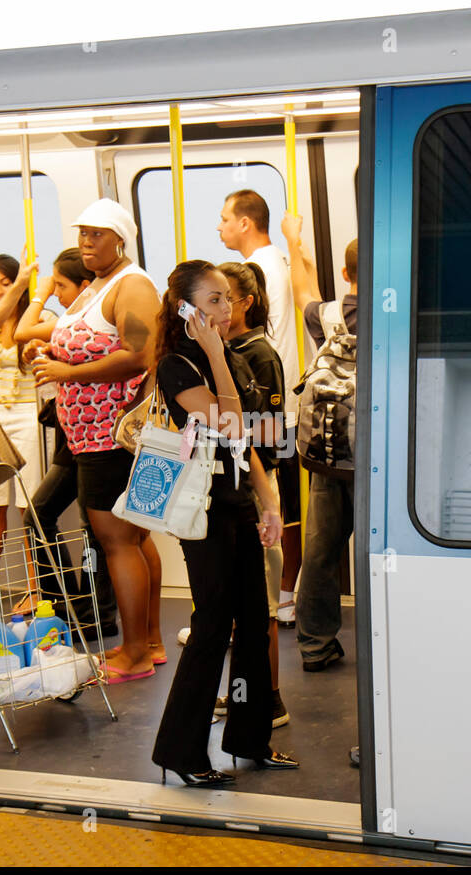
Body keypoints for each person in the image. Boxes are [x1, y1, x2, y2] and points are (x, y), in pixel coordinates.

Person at [151, 260, 294, 786]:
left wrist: (271, 505)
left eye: (227, 299)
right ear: (184, 307)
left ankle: (251, 739)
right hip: (202, 508)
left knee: (255, 621)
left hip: (236, 502)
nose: (225, 310)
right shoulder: (178, 366)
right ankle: (181, 751)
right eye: (212, 300)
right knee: (213, 624)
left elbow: (248, 443)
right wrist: (213, 353)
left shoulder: (235, 357)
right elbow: (230, 420)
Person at [32, 199, 164, 682]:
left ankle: (134, 653)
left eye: (97, 234)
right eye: (83, 233)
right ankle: (146, 640)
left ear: (120, 239)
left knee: (117, 542)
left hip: (112, 436)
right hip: (90, 435)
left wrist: (68, 370)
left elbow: (138, 353)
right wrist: (52, 349)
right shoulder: (101, 286)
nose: (86, 242)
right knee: (132, 537)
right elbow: (94, 341)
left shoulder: (132, 285)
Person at [14, 249, 119, 640]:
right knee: (41, 515)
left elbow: (22, 329)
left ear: (84, 286)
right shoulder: (69, 325)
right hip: (70, 436)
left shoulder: (88, 321)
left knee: (95, 527)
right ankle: (68, 603)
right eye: (53, 286)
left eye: (61, 285)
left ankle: (97, 612)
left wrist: (38, 291)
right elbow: (30, 341)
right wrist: (43, 352)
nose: (56, 293)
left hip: (96, 434)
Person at [218, 189, 303, 626]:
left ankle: (281, 598)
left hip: (274, 418)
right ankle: (272, 601)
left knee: (277, 505)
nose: (219, 227)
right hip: (273, 417)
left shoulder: (266, 269)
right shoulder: (274, 264)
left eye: (224, 219)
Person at [282, 212, 358, 671]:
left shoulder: (329, 316)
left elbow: (302, 291)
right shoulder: (401, 314)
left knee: (321, 553)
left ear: (346, 275)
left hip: (330, 459)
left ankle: (315, 645)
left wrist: (296, 244)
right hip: (381, 460)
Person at [216, 260, 289, 728]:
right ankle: (245, 693)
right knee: (241, 607)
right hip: (237, 486)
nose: (218, 308)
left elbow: (272, 437)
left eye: (224, 299)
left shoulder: (259, 354)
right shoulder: (222, 351)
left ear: (245, 302)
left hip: (257, 488)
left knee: (260, 608)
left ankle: (271, 700)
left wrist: (261, 493)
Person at [0, 253, 50, 608]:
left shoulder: (39, 319)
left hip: (28, 412)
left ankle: (36, 589)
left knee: (29, 506)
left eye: (4, 283)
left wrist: (39, 352)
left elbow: (51, 356)